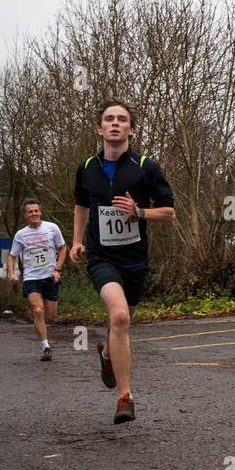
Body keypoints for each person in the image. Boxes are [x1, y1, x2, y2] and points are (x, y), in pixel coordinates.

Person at [70, 100, 175, 424]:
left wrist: (139, 212)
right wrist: (76, 241)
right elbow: (81, 206)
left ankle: (106, 354)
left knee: (122, 322)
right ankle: (125, 398)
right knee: (118, 316)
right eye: (108, 119)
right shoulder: (87, 168)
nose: (115, 123)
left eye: (122, 119)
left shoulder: (145, 166)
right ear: (100, 129)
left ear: (131, 128)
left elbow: (169, 211)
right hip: (102, 257)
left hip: (135, 261)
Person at [7, 199, 66, 360]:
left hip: (50, 277)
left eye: (36, 211)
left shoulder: (52, 228)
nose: (34, 214)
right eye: (30, 212)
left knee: (51, 317)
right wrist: (12, 273)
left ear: (40, 212)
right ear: (25, 215)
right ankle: (45, 346)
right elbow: (12, 256)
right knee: (37, 310)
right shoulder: (21, 234)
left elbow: (62, 248)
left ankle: (43, 328)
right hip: (31, 278)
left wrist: (57, 269)